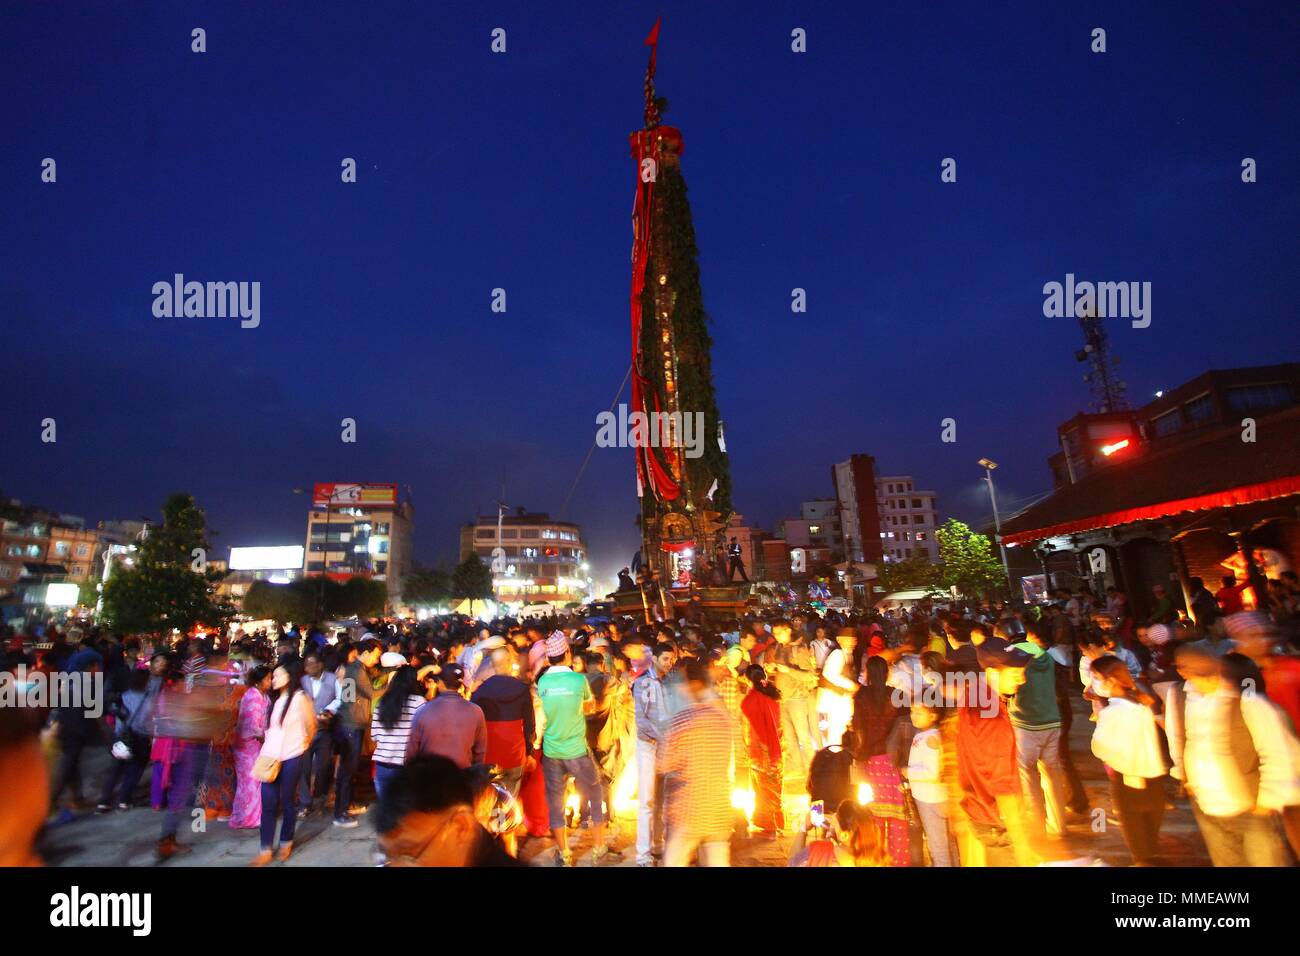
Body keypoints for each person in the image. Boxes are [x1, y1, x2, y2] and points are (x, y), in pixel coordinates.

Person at [1166, 644, 1299, 866]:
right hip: (1206, 804)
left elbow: (1276, 751)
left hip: (1251, 807)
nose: (1209, 681)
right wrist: (1184, 774)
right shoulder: (1179, 696)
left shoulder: (1248, 701)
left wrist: (1268, 799)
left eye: (1211, 674)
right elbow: (1177, 736)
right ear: (1182, 671)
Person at [536, 632, 609, 866]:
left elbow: (541, 717)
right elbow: (589, 707)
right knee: (595, 793)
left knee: (555, 802)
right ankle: (598, 846)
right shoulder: (579, 681)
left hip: (551, 751)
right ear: (567, 653)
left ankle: (565, 853)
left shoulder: (543, 682)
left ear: (548, 658)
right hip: (577, 750)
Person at [1089, 655, 1169, 865]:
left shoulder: (1114, 712)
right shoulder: (1141, 705)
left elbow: (1099, 748)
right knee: (1150, 847)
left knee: (1140, 849)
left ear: (1112, 680)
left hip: (1127, 785)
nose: (1094, 682)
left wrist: (1099, 717)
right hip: (1153, 784)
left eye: (1096, 677)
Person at [374, 755, 523, 867]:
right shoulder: (451, 807)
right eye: (386, 855)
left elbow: (508, 840)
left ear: (461, 825)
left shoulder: (503, 807)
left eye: (409, 854)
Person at [660, 660, 736, 866]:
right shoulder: (722, 718)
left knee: (674, 861)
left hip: (690, 807)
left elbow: (665, 763)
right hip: (719, 805)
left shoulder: (683, 719)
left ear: (693, 685)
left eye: (683, 683)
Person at [1007, 624, 1069, 836]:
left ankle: (1036, 826)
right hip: (1052, 722)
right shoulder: (1048, 659)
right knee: (1052, 775)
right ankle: (1058, 825)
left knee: (1028, 776)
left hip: (1026, 724)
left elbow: (1010, 689)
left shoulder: (1020, 664)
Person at [252, 661, 315, 865]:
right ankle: (265, 849)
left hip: (292, 757)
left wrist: (302, 745)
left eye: (277, 675)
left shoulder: (300, 698)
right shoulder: (275, 700)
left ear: (290, 676)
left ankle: (286, 842)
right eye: (273, 676)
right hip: (270, 758)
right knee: (268, 804)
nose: (273, 679)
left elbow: (311, 725)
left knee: (288, 802)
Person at [852, 655, 909, 865]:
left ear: (867, 673)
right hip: (894, 762)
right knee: (897, 820)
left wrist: (858, 757)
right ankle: (899, 861)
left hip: (872, 761)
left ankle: (874, 860)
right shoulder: (897, 696)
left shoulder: (861, 697)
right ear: (887, 673)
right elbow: (906, 726)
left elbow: (858, 730)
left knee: (873, 818)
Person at [632, 640, 676, 866]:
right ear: (655, 659)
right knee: (647, 801)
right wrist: (664, 737)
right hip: (648, 747)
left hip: (666, 747)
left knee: (663, 799)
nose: (670, 663)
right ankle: (642, 855)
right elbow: (642, 721)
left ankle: (658, 845)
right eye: (666, 659)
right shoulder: (643, 683)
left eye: (672, 659)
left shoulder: (670, 682)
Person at [470, 647, 535, 796]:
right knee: (509, 797)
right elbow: (530, 725)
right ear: (509, 662)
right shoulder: (522, 689)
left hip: (489, 753)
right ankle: (502, 818)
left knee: (489, 797)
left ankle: (496, 818)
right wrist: (529, 751)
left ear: (492, 665)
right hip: (514, 752)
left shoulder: (481, 691)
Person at [332, 637, 380, 828]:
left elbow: (348, 697)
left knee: (349, 769)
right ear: (366, 653)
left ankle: (347, 805)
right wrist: (392, 684)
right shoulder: (356, 670)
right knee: (346, 770)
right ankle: (340, 813)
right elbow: (372, 693)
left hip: (351, 724)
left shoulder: (355, 670)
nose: (377, 659)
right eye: (376, 655)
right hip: (351, 726)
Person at [405, 665, 487, 769]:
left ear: (440, 683)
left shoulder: (423, 711)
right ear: (460, 685)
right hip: (461, 776)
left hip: (430, 776)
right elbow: (480, 751)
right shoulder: (476, 712)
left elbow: (412, 752)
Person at [767, 620, 819, 777]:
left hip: (797, 698)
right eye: (774, 633)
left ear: (788, 630)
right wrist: (772, 670)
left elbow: (810, 675)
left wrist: (789, 670)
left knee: (803, 736)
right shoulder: (778, 648)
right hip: (782, 698)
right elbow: (780, 673)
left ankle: (812, 770)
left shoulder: (799, 650)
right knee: (789, 737)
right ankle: (797, 768)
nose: (776, 636)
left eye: (779, 633)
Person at [905, 703, 954, 866]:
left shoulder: (932, 738)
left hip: (931, 799)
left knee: (938, 848)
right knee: (945, 845)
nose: (913, 715)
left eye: (919, 713)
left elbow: (932, 773)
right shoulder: (924, 735)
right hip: (928, 797)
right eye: (912, 711)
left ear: (933, 716)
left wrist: (908, 772)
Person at [96, 668, 152, 812]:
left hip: (120, 738)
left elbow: (114, 715)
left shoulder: (122, 696)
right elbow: (147, 723)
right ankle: (123, 801)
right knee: (134, 770)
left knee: (115, 770)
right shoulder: (148, 700)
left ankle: (103, 802)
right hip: (139, 739)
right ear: (145, 682)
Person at [371, 665, 427, 802]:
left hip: (382, 765)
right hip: (406, 766)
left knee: (386, 812)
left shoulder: (383, 702)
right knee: (403, 814)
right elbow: (424, 735)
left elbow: (374, 735)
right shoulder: (419, 703)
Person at [740, 664, 784, 834]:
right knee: (774, 787)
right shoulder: (773, 695)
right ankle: (777, 822)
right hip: (777, 749)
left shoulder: (751, 700)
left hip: (760, 751)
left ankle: (770, 826)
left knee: (763, 789)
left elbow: (749, 729)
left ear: (747, 679)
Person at [229, 665, 273, 829]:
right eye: (268, 678)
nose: (271, 681)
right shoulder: (253, 696)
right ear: (259, 681)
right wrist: (266, 739)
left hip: (255, 744)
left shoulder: (262, 695)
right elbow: (253, 726)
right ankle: (246, 818)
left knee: (253, 782)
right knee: (249, 782)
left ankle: (252, 816)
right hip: (247, 746)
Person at [297, 651, 340, 817]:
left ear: (321, 664)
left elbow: (341, 698)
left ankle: (319, 796)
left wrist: (330, 711)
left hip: (324, 730)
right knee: (304, 768)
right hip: (306, 731)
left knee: (323, 766)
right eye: (306, 664)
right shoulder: (302, 681)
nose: (308, 667)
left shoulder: (333, 678)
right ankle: (305, 802)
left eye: (312, 663)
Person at [789, 800, 891, 867]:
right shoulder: (879, 860)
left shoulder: (818, 850)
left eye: (836, 815)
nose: (832, 817)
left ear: (844, 835)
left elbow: (792, 863)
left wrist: (803, 828)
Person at [817, 629, 858, 747]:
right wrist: (851, 685)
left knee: (840, 729)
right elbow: (829, 673)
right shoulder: (838, 654)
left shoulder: (848, 655)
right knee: (836, 730)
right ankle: (835, 755)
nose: (851, 642)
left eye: (853, 640)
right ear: (839, 640)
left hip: (840, 698)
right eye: (848, 640)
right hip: (834, 699)